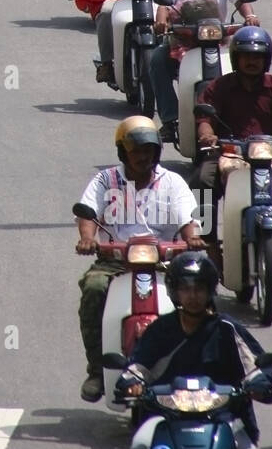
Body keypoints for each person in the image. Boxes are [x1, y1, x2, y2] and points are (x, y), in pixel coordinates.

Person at [116, 252, 272, 449]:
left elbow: (255, 367)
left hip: (222, 419)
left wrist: (257, 385)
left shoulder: (227, 329)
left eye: (199, 288)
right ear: (175, 291)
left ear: (210, 291)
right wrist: (131, 382)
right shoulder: (160, 330)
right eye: (186, 288)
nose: (192, 296)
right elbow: (137, 367)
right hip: (165, 420)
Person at [75, 117, 202, 403]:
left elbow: (187, 218)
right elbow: (87, 213)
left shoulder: (172, 182)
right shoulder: (105, 180)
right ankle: (97, 370)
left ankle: (202, 366)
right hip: (116, 260)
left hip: (166, 261)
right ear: (123, 152)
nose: (143, 157)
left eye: (148, 150)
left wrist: (192, 238)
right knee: (93, 289)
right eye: (136, 150)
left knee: (202, 294)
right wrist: (87, 238)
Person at [149, 0, 259, 143]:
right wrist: (160, 21)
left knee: (252, 61)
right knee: (157, 59)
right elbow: (163, 4)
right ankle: (170, 121)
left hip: (218, 40)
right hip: (182, 40)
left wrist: (250, 17)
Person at [193, 26, 272, 229]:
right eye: (246, 56)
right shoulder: (219, 86)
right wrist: (207, 135)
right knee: (202, 182)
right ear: (235, 58)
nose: (251, 61)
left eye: (257, 56)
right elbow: (205, 119)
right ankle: (206, 238)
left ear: (266, 60)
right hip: (230, 152)